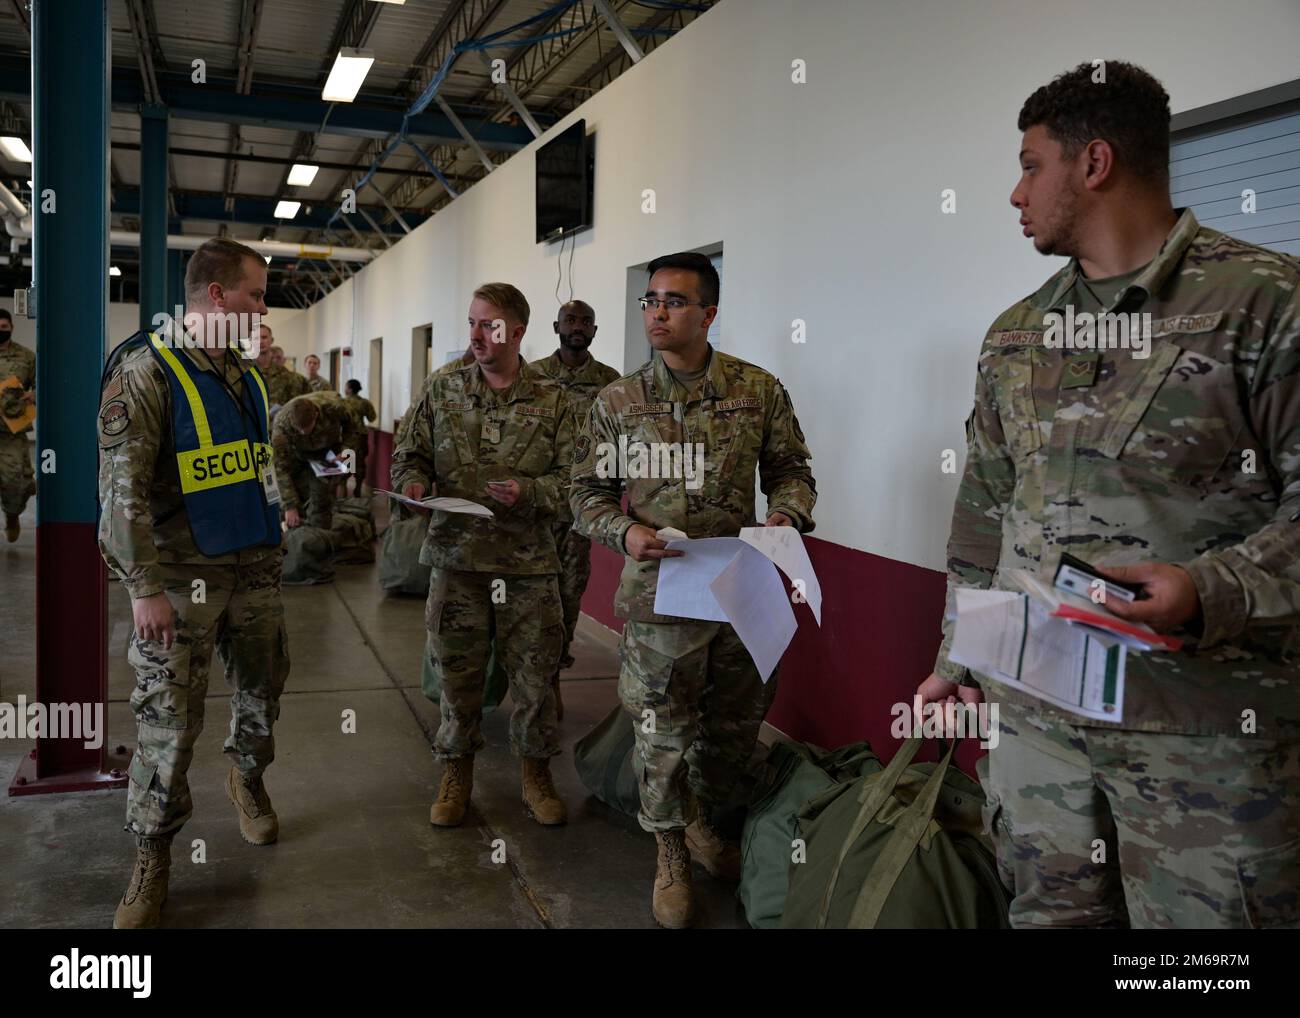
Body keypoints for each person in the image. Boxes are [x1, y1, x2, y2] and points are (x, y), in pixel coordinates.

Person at [917, 61, 1300, 929]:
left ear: (1094, 164)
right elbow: (984, 508)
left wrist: (1211, 589)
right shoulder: (1017, 334)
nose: (1015, 193)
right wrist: (956, 656)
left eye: (1029, 165)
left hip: (1203, 746)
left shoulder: (1265, 303)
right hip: (1039, 732)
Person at [571, 252, 817, 928]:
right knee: (663, 730)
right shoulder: (620, 402)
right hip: (662, 593)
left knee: (734, 725)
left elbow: (793, 469)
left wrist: (786, 514)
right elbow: (586, 495)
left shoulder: (756, 389)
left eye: (674, 301)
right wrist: (624, 533)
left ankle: (709, 823)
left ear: (708, 313)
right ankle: (671, 848)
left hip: (740, 586)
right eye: (650, 300)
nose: (657, 312)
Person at [97, 237, 288, 929]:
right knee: (169, 723)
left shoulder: (244, 373)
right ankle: (152, 855)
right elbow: (120, 494)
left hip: (256, 566)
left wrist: (279, 509)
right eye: (256, 294)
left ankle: (248, 779)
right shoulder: (146, 371)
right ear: (217, 295)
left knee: (263, 692)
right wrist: (143, 587)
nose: (264, 307)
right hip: (180, 581)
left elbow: (255, 456)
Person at [391, 283, 574, 829]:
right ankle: (456, 772)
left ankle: (536, 774)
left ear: (517, 332)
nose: (475, 335)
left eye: (489, 325)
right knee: (456, 676)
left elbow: (580, 484)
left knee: (536, 680)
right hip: (457, 561)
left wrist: (531, 492)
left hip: (529, 567)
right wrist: (415, 485)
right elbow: (408, 453)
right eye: (471, 322)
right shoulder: (442, 387)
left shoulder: (557, 400)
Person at [530, 300, 619, 719]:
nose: (578, 327)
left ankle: (553, 677)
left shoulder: (611, 384)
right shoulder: (531, 378)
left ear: (595, 331)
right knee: (527, 600)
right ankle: (529, 682)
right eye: (571, 321)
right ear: (556, 327)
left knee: (566, 600)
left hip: (580, 516)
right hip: (532, 513)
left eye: (586, 321)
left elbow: (624, 443)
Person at [272, 390, 351, 530]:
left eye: (307, 427)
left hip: (327, 451)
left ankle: (320, 534)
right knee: (292, 498)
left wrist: (347, 449)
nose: (303, 432)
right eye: (299, 429)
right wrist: (289, 505)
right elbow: (280, 467)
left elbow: (353, 426)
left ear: (316, 415)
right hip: (297, 455)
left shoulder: (334, 407)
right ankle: (296, 536)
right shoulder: (281, 424)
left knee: (322, 498)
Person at [0, 308, 36, 541]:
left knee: (16, 483)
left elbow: (41, 383)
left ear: (11, 327)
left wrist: (34, 395)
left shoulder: (26, 357)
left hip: (11, 432)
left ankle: (12, 515)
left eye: (3, 326)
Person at [342, 379, 377, 494]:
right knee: (360, 464)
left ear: (350, 389)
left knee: (346, 463)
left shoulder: (342, 402)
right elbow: (372, 418)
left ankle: (344, 490)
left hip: (346, 437)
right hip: (361, 437)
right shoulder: (364, 403)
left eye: (346, 387)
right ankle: (358, 489)